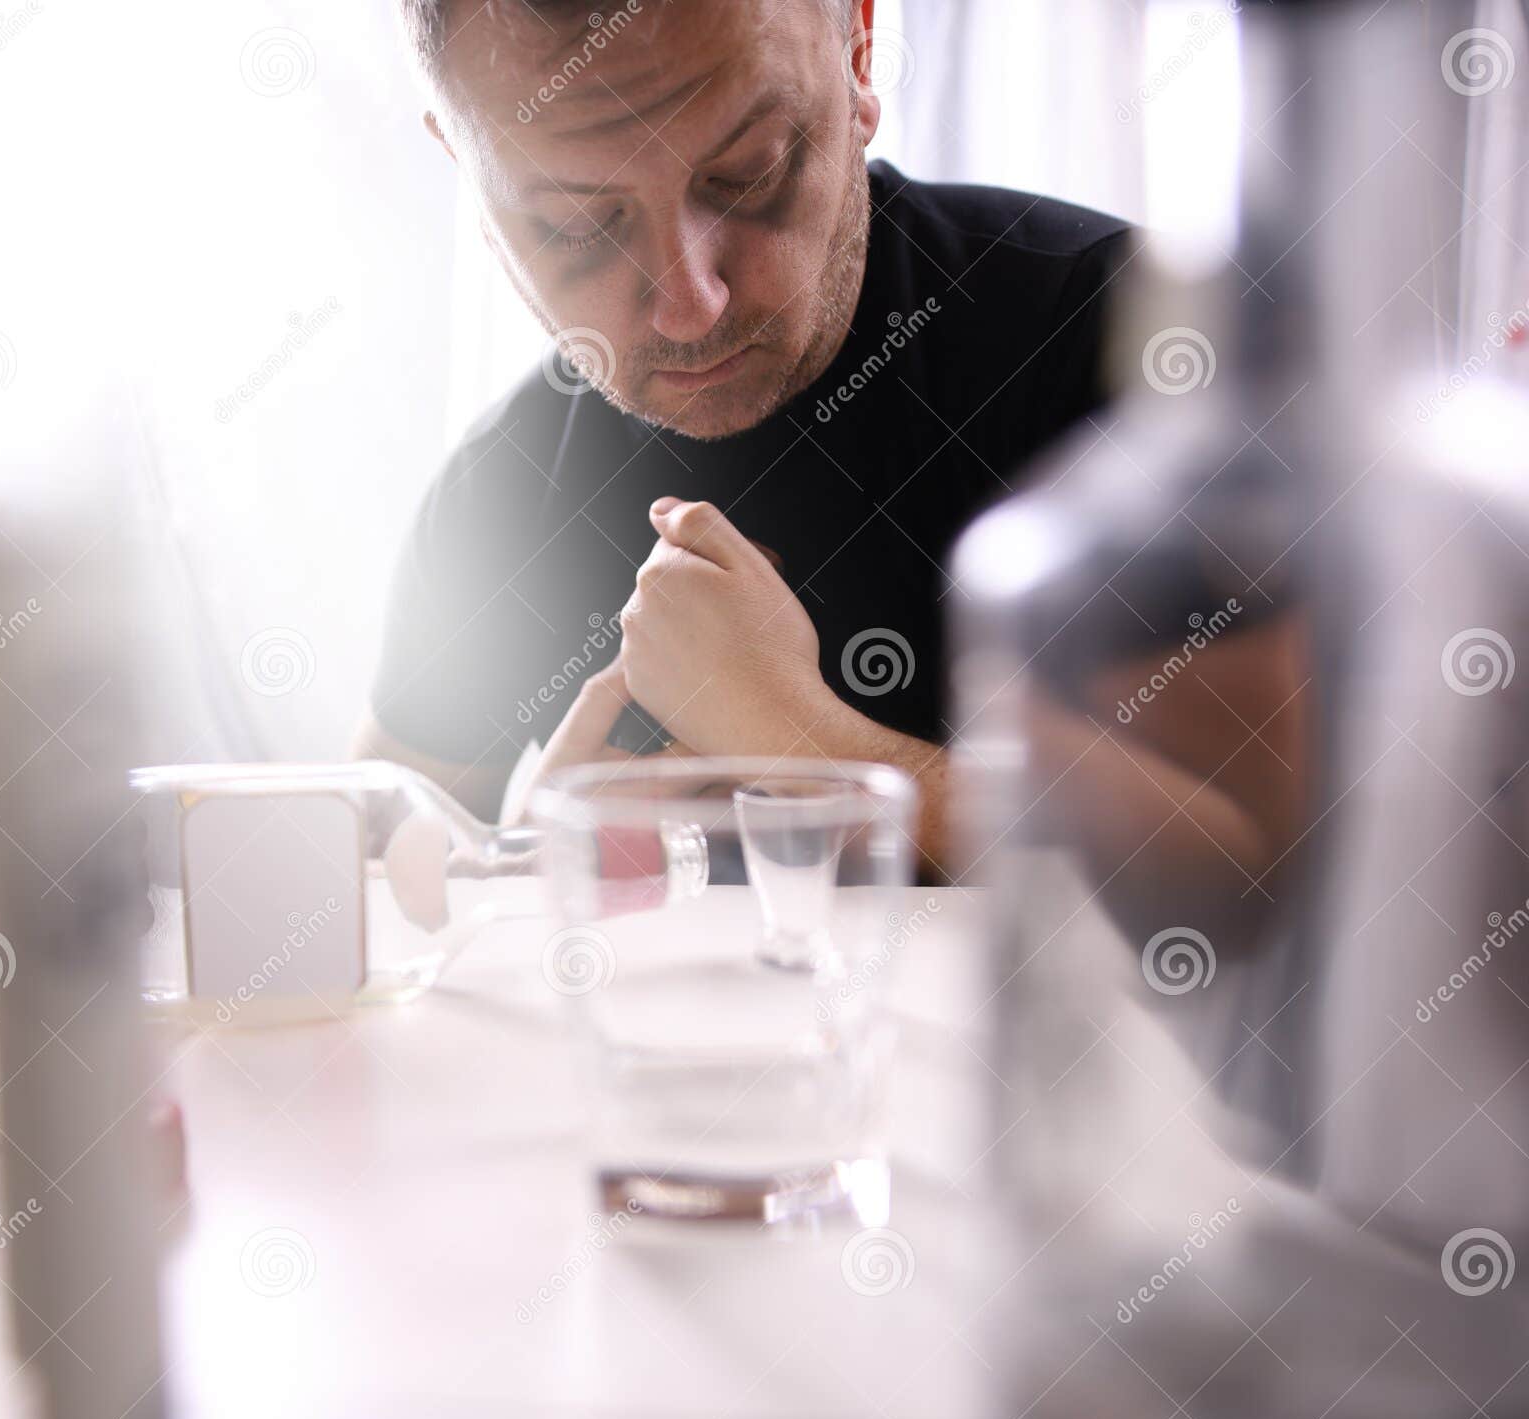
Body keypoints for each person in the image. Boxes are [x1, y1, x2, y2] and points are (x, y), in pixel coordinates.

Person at [359, 0, 1138, 872]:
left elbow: (1245, 863)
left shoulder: (1125, 340)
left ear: (858, 51)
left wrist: (796, 741)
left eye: (748, 174)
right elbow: (369, 871)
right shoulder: (505, 489)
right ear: (463, 168)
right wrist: (533, 855)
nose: (689, 306)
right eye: (578, 225)